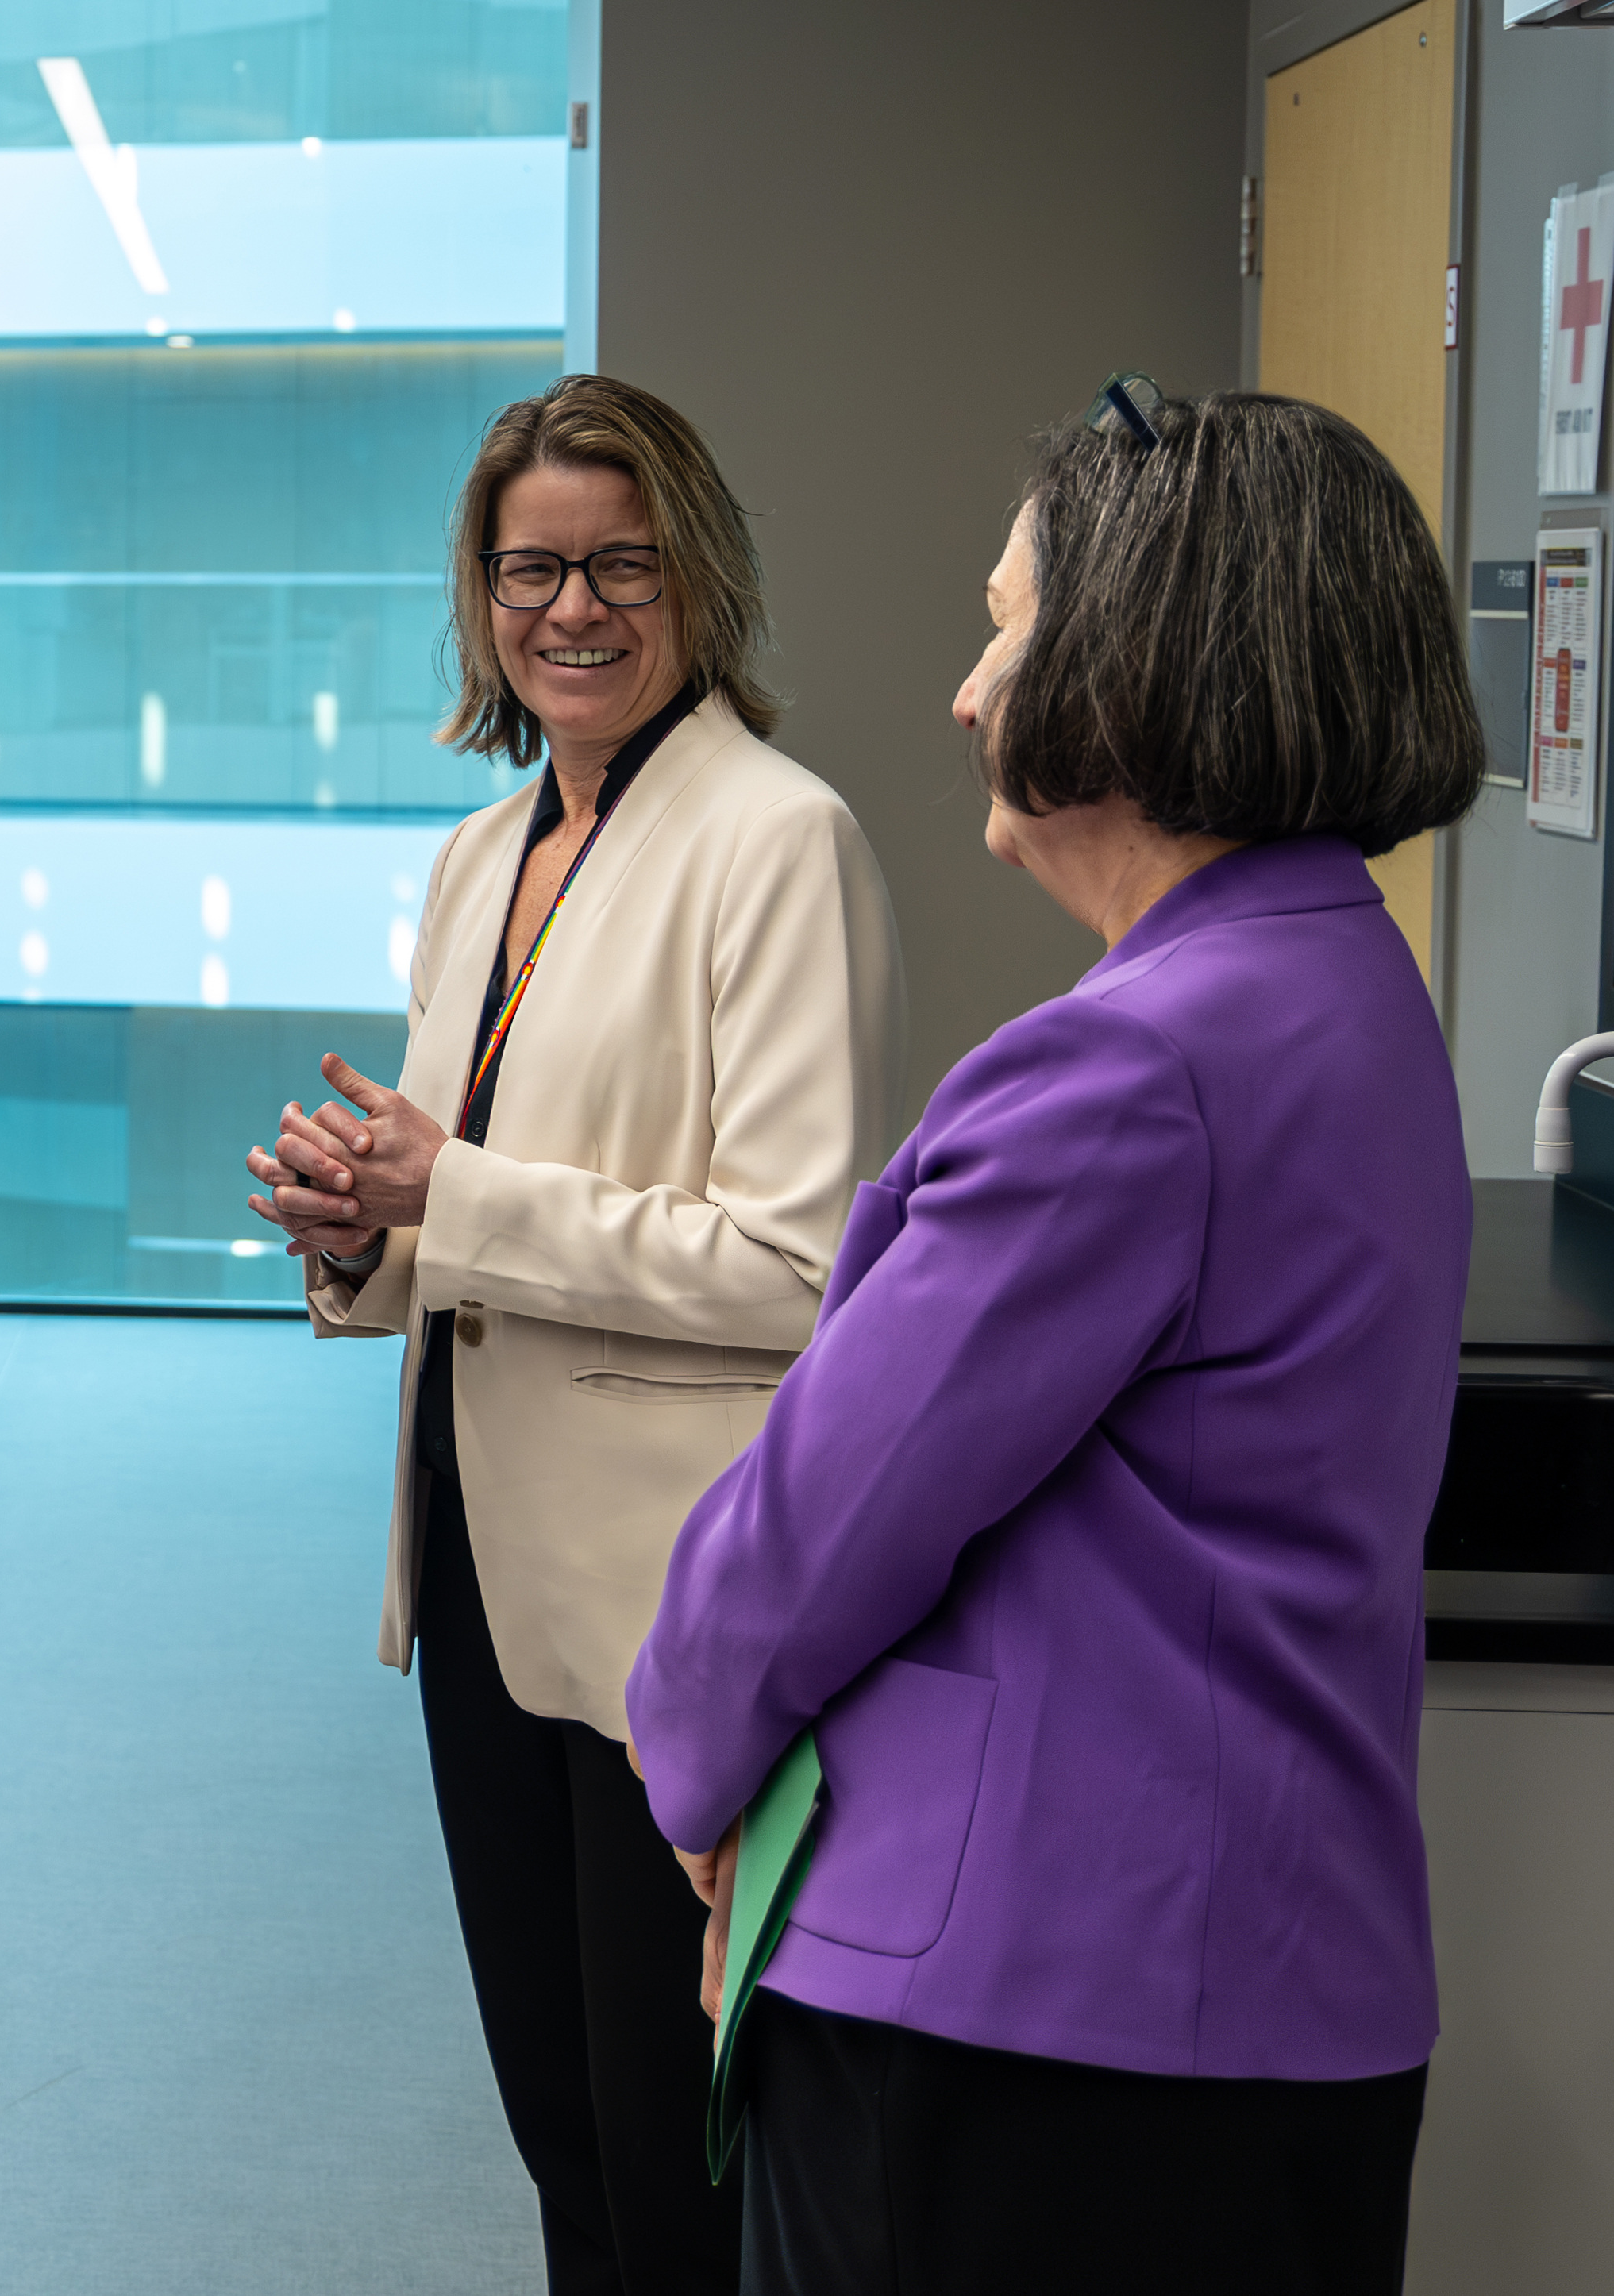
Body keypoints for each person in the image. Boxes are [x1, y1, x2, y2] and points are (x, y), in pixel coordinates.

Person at [624, 385, 1482, 2294]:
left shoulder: (1130, 1069)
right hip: (1272, 1987)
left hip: (1025, 2027)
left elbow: (822, 1518)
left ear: (1136, 658)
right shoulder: (1342, 985)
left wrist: (687, 1765)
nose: (963, 692)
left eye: (1003, 627)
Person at [247, 372, 904, 2293]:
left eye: (619, 564)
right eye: (526, 569)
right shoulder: (483, 855)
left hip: (663, 1612)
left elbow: (798, 1267)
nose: (571, 609)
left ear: (695, 575)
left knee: (662, 2163)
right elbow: (457, 1213)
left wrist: (445, 1194)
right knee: (554, 2131)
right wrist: (353, 1235)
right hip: (476, 1576)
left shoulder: (776, 842)